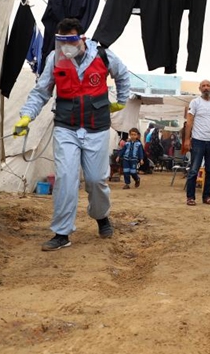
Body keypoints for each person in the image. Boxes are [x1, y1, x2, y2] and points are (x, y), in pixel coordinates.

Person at [14, 18, 131, 251]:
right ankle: (61, 232)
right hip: (66, 127)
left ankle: (101, 217)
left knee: (96, 180)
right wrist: (27, 116)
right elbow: (41, 92)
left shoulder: (103, 55)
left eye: (71, 41)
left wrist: (121, 100)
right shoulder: (53, 59)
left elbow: (123, 75)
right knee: (66, 179)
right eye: (62, 42)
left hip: (96, 127)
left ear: (82, 38)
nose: (66, 46)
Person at [184, 80, 210, 206]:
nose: (206, 88)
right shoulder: (195, 102)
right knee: (194, 170)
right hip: (198, 140)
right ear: (200, 88)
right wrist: (187, 139)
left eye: (208, 86)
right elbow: (189, 121)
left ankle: (207, 196)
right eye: (203, 86)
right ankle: (190, 197)